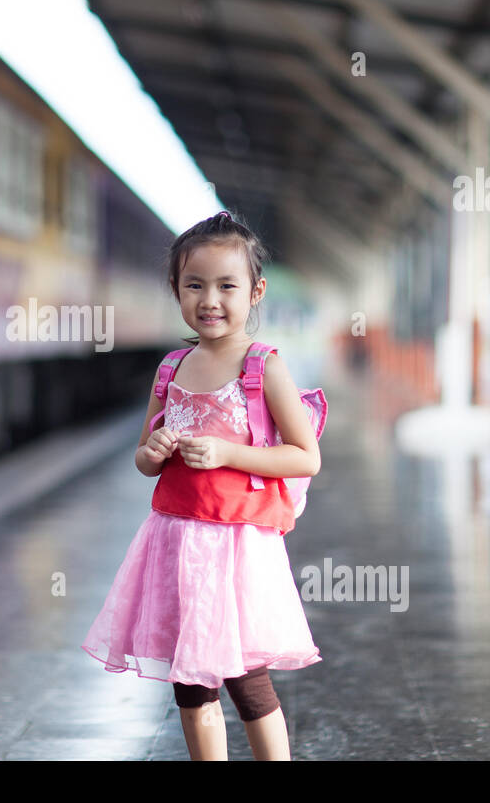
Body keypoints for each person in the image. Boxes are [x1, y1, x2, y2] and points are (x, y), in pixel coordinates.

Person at [81, 210, 324, 761]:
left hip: (237, 548)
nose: (209, 299)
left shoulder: (263, 367)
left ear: (255, 291)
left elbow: (305, 457)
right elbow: (144, 459)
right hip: (175, 544)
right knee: (189, 682)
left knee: (247, 678)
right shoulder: (171, 368)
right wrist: (155, 450)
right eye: (194, 285)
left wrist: (227, 453)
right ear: (175, 291)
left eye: (226, 286)